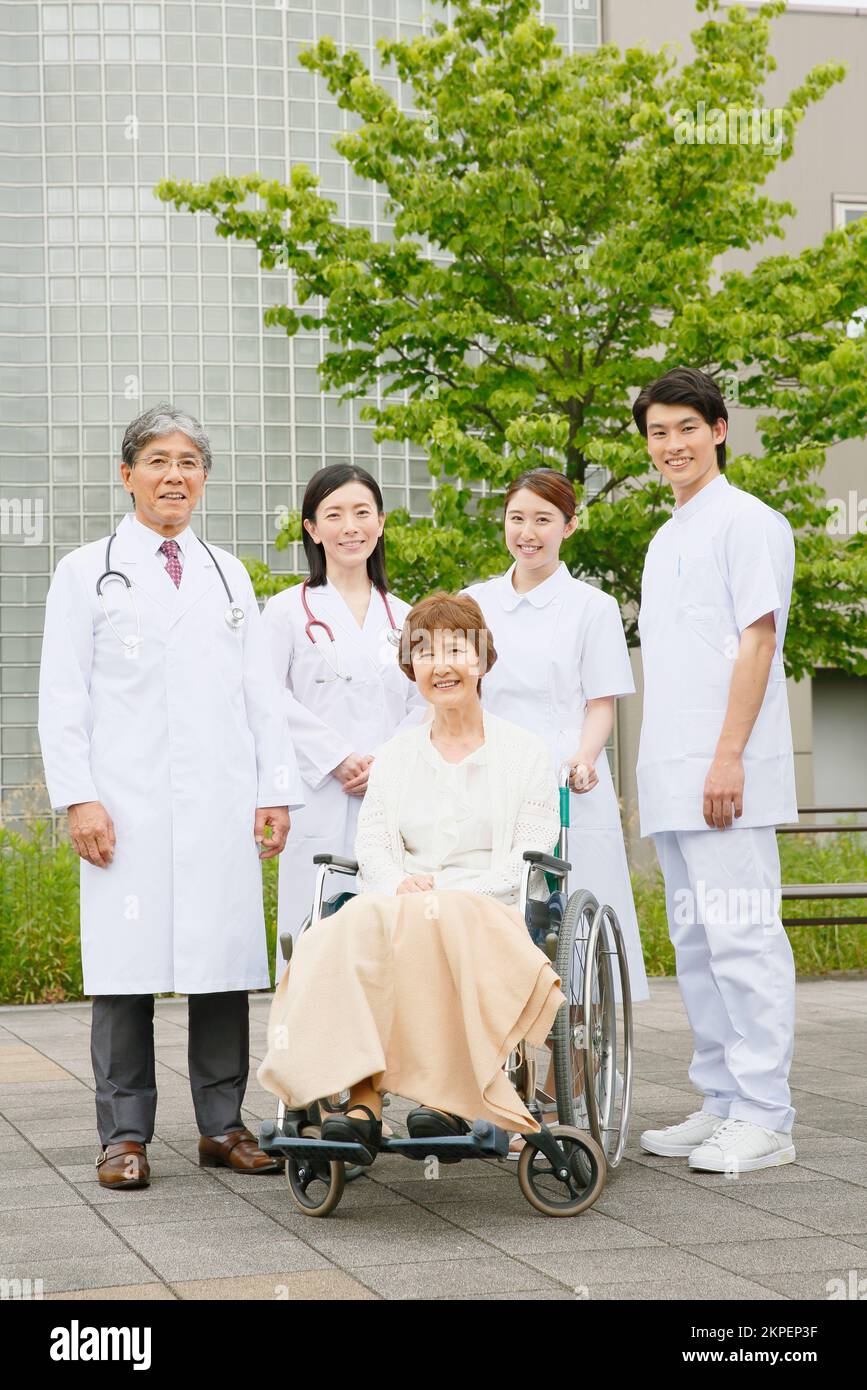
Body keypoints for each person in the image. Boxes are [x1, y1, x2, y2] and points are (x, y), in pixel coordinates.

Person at [38, 403, 304, 1190]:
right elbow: (62, 696)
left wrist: (275, 791)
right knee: (126, 972)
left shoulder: (229, 573)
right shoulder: (85, 571)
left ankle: (222, 1126)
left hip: (219, 802)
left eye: (188, 461)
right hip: (127, 804)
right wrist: (79, 797)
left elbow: (262, 697)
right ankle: (124, 1137)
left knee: (221, 967)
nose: (173, 476)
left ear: (204, 478)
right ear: (127, 476)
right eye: (157, 461)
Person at [257, 592, 566, 1159]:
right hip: (404, 897)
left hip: (488, 903)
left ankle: (448, 1094)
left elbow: (529, 854)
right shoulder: (396, 754)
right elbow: (373, 844)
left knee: (439, 919)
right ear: (411, 668)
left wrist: (450, 893)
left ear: (482, 660)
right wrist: (398, 882)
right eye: (425, 652)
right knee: (345, 927)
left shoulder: (524, 752)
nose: (441, 664)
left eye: (457, 649)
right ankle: (363, 1100)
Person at [632, 367, 798, 1174]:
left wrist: (727, 754)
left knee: (741, 936)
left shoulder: (748, 523)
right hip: (671, 775)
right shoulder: (666, 537)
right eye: (657, 433)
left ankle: (767, 1111)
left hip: (726, 771)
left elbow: (757, 642)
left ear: (718, 430)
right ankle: (724, 1098)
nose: (671, 445)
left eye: (685, 429)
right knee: (695, 943)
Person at [463, 468, 649, 1011]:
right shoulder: (474, 603)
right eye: (517, 518)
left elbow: (600, 703)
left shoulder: (593, 607)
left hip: (567, 776)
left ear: (569, 526)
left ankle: (574, 1063)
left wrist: (586, 759)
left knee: (574, 925)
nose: (528, 532)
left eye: (543, 520)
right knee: (497, 918)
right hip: (491, 773)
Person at [261, 465, 426, 958]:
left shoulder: (407, 616)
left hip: (392, 793)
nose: (349, 526)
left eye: (361, 512)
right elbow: (267, 697)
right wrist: (338, 757)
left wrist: (383, 762)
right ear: (312, 528)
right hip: (318, 794)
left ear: (381, 523)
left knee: (389, 940)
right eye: (333, 514)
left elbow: (427, 701)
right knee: (314, 938)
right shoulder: (287, 611)